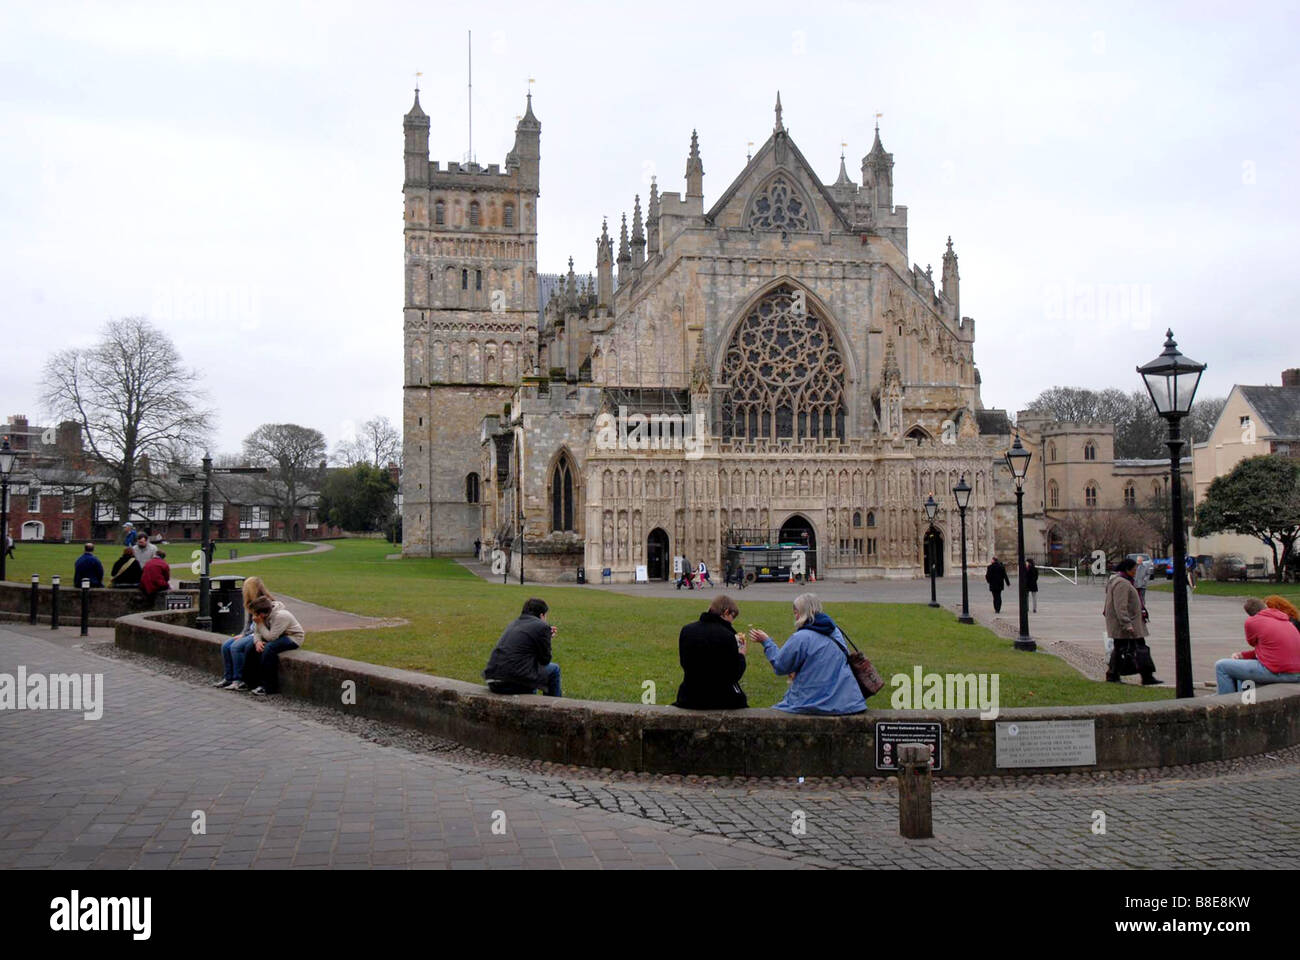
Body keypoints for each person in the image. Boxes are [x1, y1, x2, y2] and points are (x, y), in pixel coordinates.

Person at [748, 592, 867, 715]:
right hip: (846, 701)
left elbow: (780, 666)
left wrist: (767, 642)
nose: (795, 616)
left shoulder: (801, 637)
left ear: (800, 613)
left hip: (812, 702)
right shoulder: (835, 632)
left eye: (795, 612)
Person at [673, 594, 748, 709]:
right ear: (726, 612)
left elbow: (685, 663)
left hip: (690, 695)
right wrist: (741, 655)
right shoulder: (728, 636)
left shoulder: (687, 630)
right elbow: (734, 674)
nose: (731, 623)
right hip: (720, 698)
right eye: (732, 618)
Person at [1214, 597, 1300, 695]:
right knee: (1239, 671)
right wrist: (1243, 655)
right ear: (1265, 607)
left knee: (1221, 666)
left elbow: (1252, 643)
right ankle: (1243, 702)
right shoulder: (1285, 620)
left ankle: (1227, 703)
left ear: (1250, 614)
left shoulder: (1252, 621)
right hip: (1296, 672)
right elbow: (1272, 649)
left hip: (1280, 672)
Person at [483, 597, 562, 696]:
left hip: (493, 680)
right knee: (554, 669)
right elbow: (544, 660)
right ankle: (553, 708)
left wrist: (544, 637)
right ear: (542, 615)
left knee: (528, 671)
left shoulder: (513, 623)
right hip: (512, 681)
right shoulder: (542, 626)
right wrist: (547, 640)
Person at [1103, 558, 1160, 685]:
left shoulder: (1123, 581)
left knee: (1130, 648)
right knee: (1127, 649)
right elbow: (1120, 605)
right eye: (1134, 569)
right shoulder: (1122, 583)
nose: (1136, 571)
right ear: (1127, 569)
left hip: (1131, 622)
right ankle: (1116, 675)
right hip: (1127, 624)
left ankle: (1144, 676)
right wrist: (1126, 624)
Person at [213, 576, 273, 689]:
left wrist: (252, 636)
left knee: (236, 647)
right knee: (226, 646)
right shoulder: (251, 603)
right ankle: (228, 678)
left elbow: (267, 625)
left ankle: (238, 680)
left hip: (259, 634)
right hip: (251, 632)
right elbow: (249, 623)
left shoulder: (265, 603)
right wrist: (243, 634)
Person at [243, 595, 305, 696]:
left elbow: (271, 638)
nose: (254, 616)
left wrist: (260, 624)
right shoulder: (262, 617)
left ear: (263, 614)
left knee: (269, 649)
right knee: (250, 647)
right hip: (276, 635)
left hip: (292, 637)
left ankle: (268, 687)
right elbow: (257, 632)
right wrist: (257, 642)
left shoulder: (281, 616)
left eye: (255, 614)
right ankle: (250, 682)